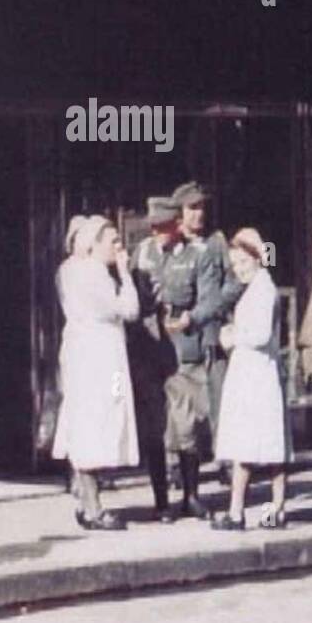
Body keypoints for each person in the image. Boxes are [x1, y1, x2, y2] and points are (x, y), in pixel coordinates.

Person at [51, 215, 140, 530]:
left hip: (81, 353)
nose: (118, 247)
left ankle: (86, 501)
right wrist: (125, 274)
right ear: (94, 243)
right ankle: (93, 508)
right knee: (95, 425)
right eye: (112, 241)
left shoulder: (68, 271)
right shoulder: (94, 273)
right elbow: (129, 309)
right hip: (99, 357)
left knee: (84, 422)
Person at [209, 229, 290, 530]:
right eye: (236, 264)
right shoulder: (254, 288)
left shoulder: (264, 289)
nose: (239, 268)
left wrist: (233, 337)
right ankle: (250, 510)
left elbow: (260, 335)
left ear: (257, 258)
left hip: (259, 374)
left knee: (264, 445)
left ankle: (257, 510)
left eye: (244, 261)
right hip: (249, 373)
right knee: (255, 445)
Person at [159, 181, 225, 518]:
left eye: (201, 208)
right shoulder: (160, 250)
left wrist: (191, 319)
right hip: (158, 352)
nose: (198, 214)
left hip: (190, 349)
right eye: (191, 208)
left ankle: (191, 494)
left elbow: (212, 297)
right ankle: (165, 499)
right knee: (165, 424)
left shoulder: (210, 248)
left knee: (191, 423)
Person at [127, 197, 180, 522]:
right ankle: (162, 500)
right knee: (154, 429)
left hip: (177, 348)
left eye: (166, 226)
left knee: (181, 423)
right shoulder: (141, 254)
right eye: (156, 227)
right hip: (147, 351)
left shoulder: (188, 252)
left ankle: (187, 491)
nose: (160, 233)